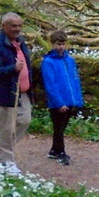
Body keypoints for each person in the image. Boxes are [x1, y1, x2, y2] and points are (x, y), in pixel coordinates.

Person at [0, 12, 32, 174]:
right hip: (4, 94)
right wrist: (13, 69)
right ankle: (7, 163)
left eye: (19, 26)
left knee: (24, 120)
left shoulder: (20, 42)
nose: (17, 29)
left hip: (22, 92)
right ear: (4, 26)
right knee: (5, 129)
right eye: (13, 26)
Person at [40, 30, 84, 165]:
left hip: (70, 99)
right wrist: (59, 103)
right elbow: (50, 84)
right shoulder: (48, 62)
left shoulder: (69, 60)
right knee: (58, 128)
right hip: (57, 102)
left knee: (62, 127)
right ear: (52, 44)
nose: (61, 47)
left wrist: (78, 99)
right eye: (58, 44)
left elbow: (75, 80)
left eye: (63, 44)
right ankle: (61, 152)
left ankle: (54, 150)